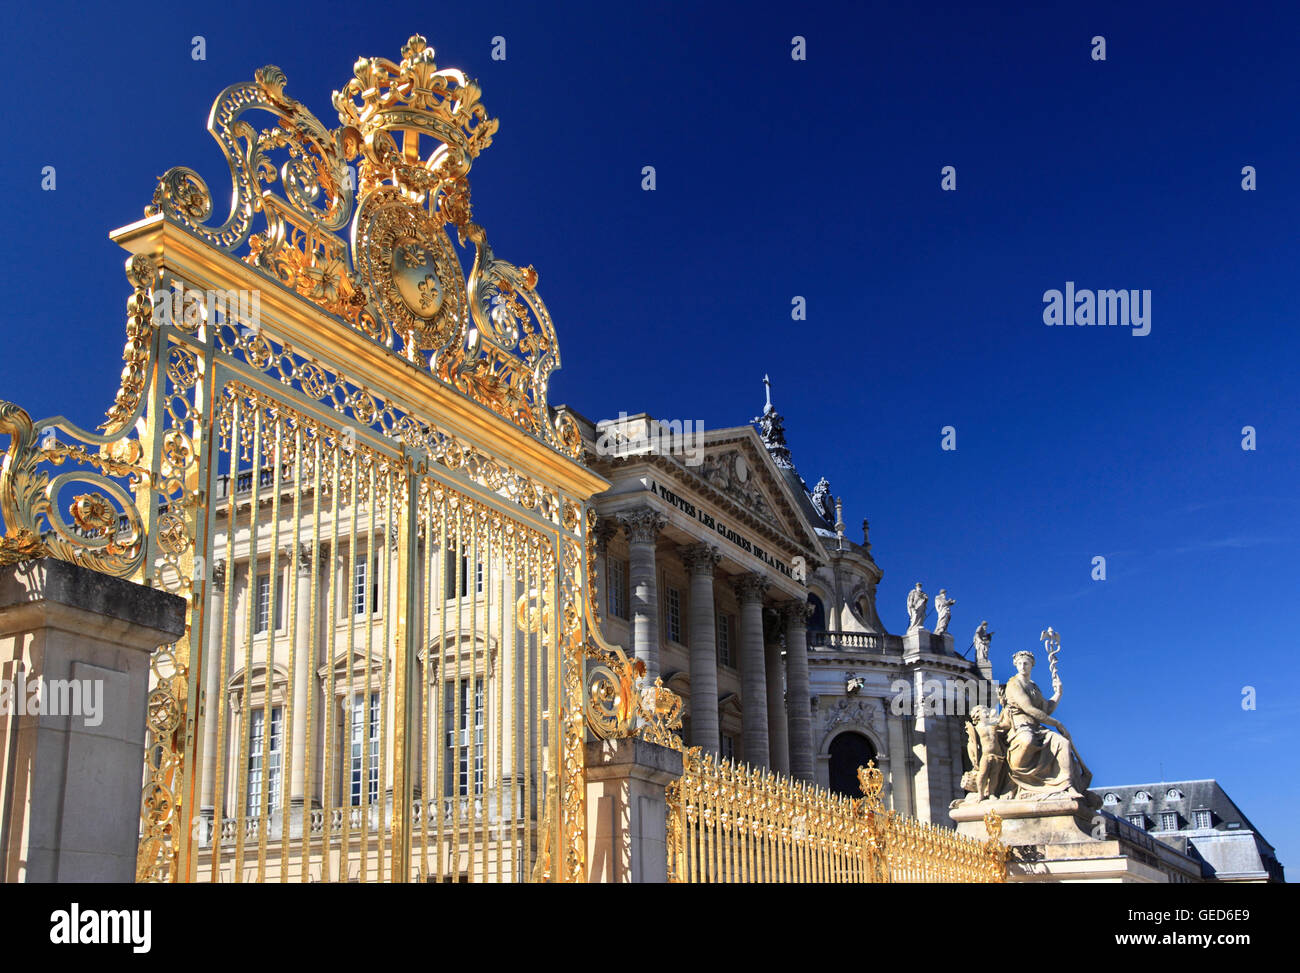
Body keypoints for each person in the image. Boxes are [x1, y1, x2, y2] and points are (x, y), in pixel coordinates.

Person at [1000, 650, 1092, 798]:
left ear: (1032, 666)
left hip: (1036, 727)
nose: (1023, 666)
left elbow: (1046, 709)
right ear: (1015, 665)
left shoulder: (1033, 686)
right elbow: (1029, 709)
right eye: (1020, 663)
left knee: (1063, 743)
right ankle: (1019, 775)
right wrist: (1057, 724)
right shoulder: (1013, 684)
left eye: (1026, 663)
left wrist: (1058, 694)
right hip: (1020, 726)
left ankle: (1067, 785)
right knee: (1027, 741)